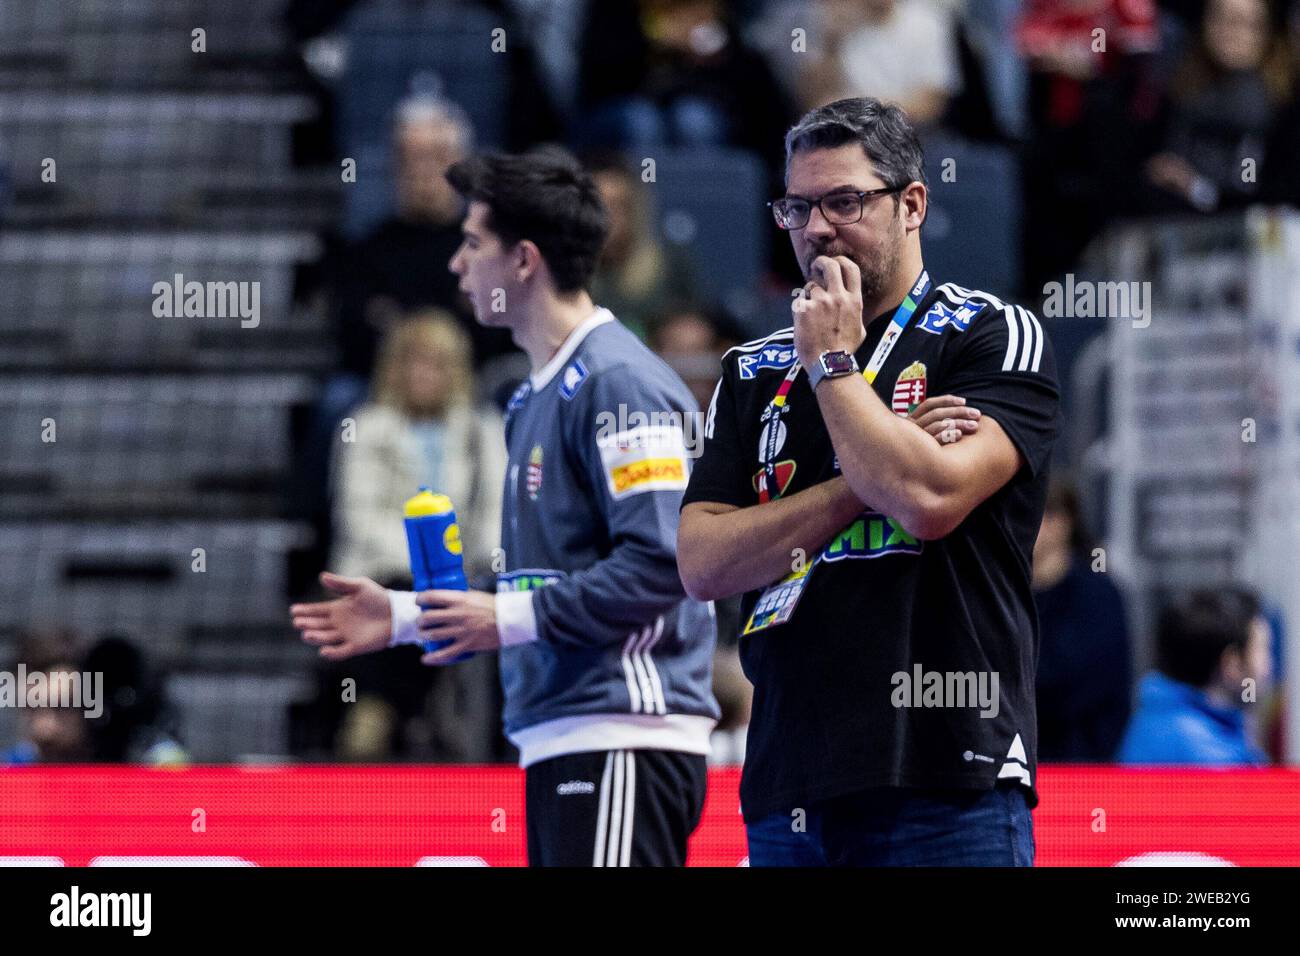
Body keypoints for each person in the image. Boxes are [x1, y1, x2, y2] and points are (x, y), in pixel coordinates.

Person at [292, 146, 720, 866]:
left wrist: (507, 620)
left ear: (523, 260)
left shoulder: (619, 383)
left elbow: (664, 563)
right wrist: (401, 617)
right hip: (561, 732)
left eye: (471, 244)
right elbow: (536, 583)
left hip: (621, 733)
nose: (456, 266)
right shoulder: (527, 397)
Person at [678, 96, 1061, 866]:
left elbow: (928, 500)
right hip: (790, 785)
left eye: (844, 201)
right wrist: (865, 481)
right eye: (797, 206)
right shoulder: (752, 371)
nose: (816, 228)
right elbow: (703, 563)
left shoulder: (989, 335)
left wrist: (833, 366)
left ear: (911, 203)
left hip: (950, 776)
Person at [327, 310, 507, 763]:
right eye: (415, 361)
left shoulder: (481, 429)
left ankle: (390, 719)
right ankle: (397, 722)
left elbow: (494, 521)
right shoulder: (365, 428)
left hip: (465, 578)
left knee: (459, 611)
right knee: (408, 608)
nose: (425, 374)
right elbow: (360, 522)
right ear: (396, 367)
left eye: (437, 363)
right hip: (381, 575)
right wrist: (431, 567)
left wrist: (459, 569)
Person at [1032, 480, 1132, 761]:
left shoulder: (1097, 596)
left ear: (1061, 523)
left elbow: (1084, 682)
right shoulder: (1004, 593)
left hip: (1079, 764)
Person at [1117, 588, 1272, 765]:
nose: (1267, 669)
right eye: (1264, 650)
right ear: (1233, 665)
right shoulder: (1216, 762)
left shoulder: (1153, 718)